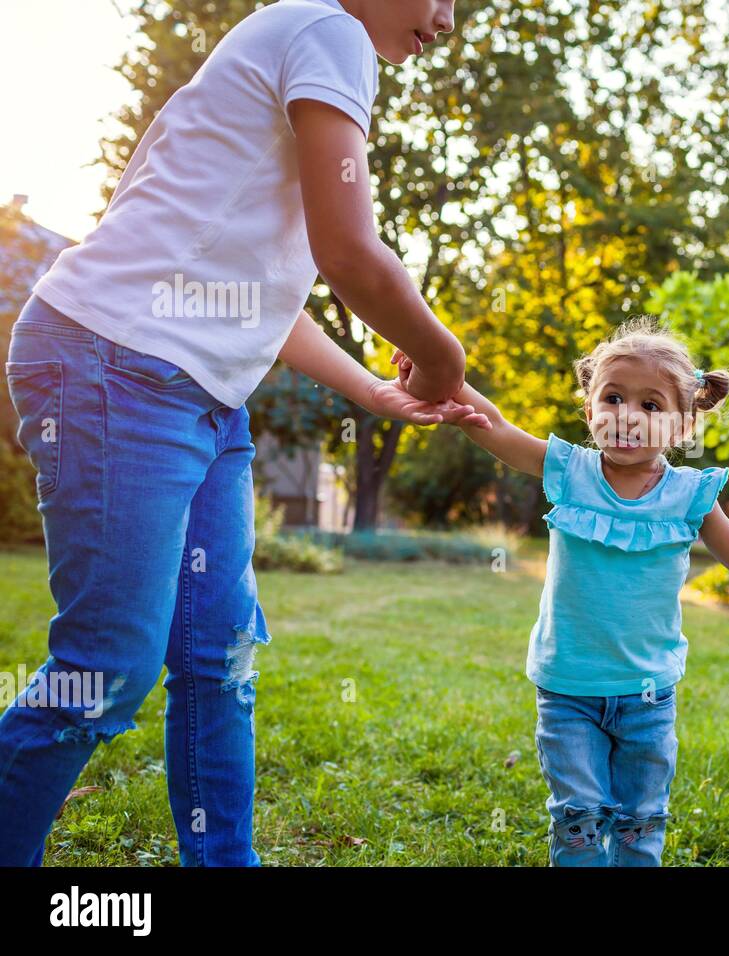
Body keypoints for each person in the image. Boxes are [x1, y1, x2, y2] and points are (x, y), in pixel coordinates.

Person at [0, 0, 486, 866]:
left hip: (200, 394)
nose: (448, 20)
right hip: (117, 362)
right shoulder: (327, 33)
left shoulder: (301, 53)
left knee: (218, 659)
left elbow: (268, 298)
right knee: (105, 669)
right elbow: (349, 252)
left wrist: (375, 386)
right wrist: (440, 354)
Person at [399, 319, 729, 864]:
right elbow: (495, 426)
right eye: (613, 397)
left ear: (685, 425)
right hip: (568, 688)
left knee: (641, 819)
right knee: (576, 815)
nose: (627, 416)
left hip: (649, 694)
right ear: (589, 407)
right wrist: (443, 380)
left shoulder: (690, 493)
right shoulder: (569, 471)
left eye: (651, 405)